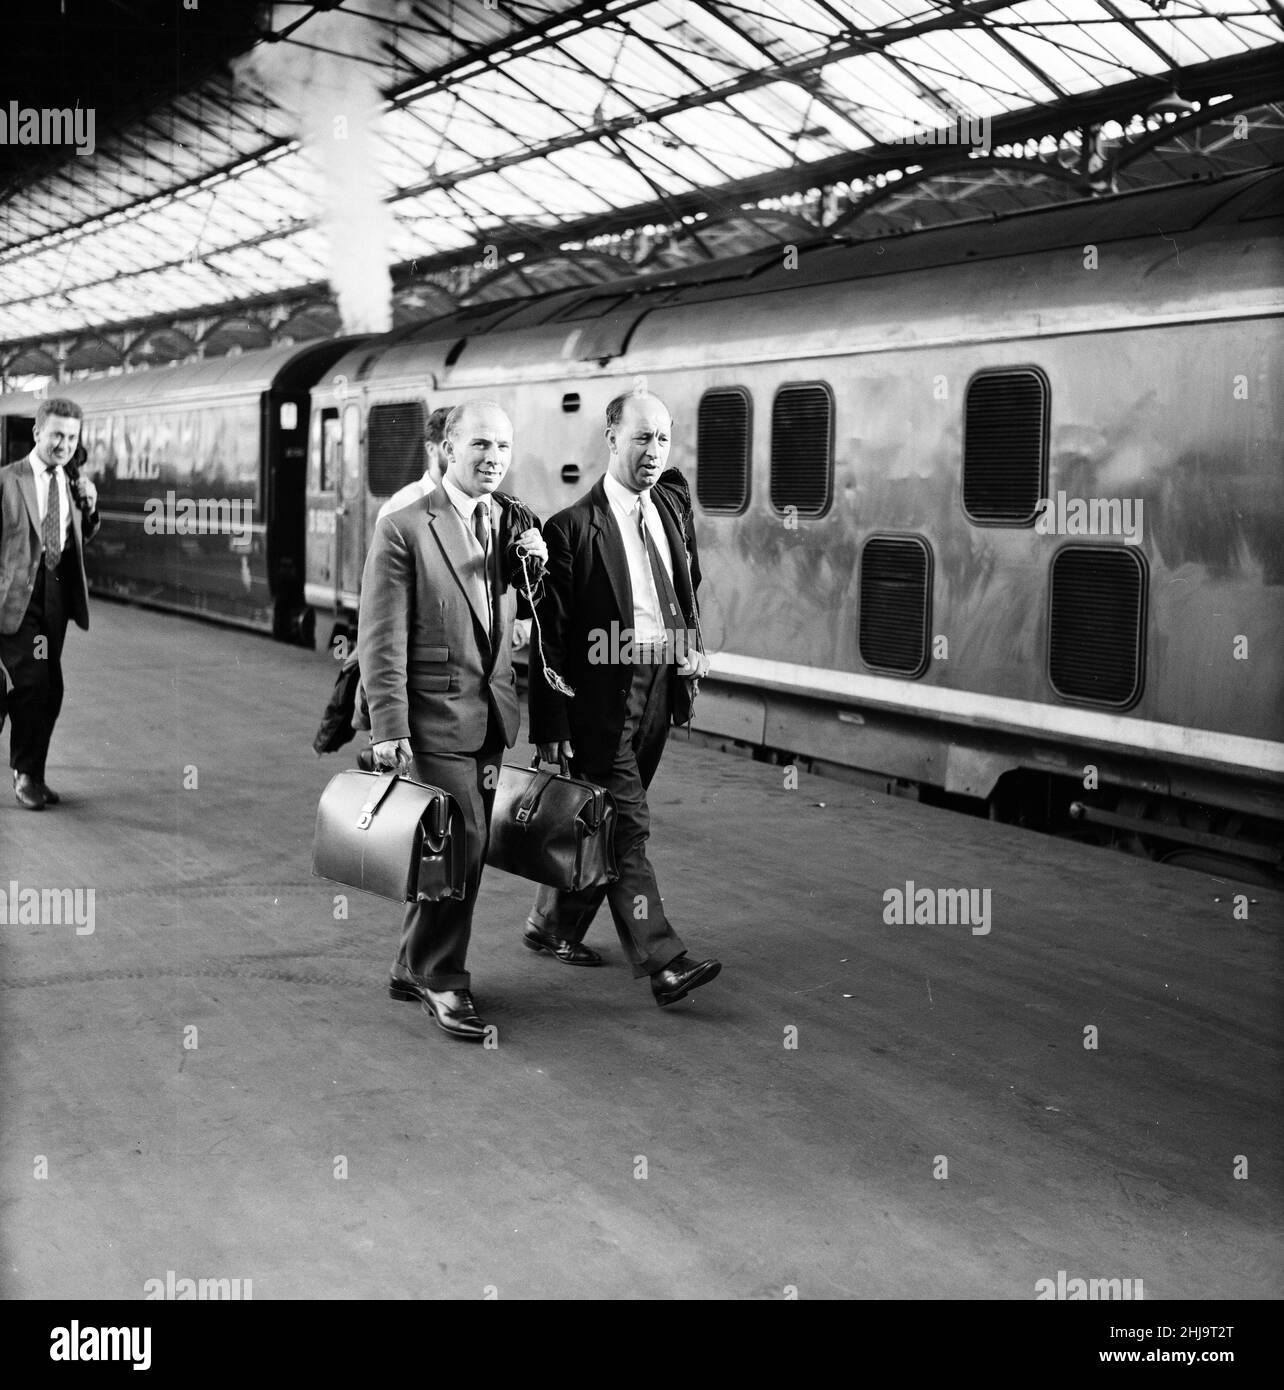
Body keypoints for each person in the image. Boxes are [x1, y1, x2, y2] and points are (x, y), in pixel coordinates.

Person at [358, 398, 547, 1041]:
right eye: (479, 447)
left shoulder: (506, 522)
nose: (493, 459)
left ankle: (410, 964)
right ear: (447, 450)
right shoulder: (405, 525)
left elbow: (508, 621)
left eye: (502, 448)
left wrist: (535, 567)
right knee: (461, 849)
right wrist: (389, 730)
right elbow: (379, 639)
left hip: (490, 713)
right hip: (433, 718)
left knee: (460, 848)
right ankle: (442, 979)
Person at [525, 389, 720, 1008]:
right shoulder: (570, 530)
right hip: (601, 698)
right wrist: (550, 726)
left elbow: (684, 584)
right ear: (610, 439)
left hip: (659, 685)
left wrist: (689, 647)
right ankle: (662, 959)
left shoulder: (669, 506)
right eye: (641, 438)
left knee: (603, 819)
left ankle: (550, 924)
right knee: (628, 827)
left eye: (663, 438)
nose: (654, 451)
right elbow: (548, 639)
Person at [0, 398, 99, 810]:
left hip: (56, 597)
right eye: (57, 434)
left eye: (72, 437)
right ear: (38, 432)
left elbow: (79, 537)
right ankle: (27, 777)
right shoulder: (7, 481)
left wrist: (91, 508)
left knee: (49, 688)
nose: (64, 444)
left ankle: (31, 772)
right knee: (35, 684)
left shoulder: (73, 482)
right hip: (16, 599)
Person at [376, 404, 450, 522]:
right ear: (431, 449)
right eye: (450, 447)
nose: (460, 454)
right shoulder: (401, 506)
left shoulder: (474, 502)